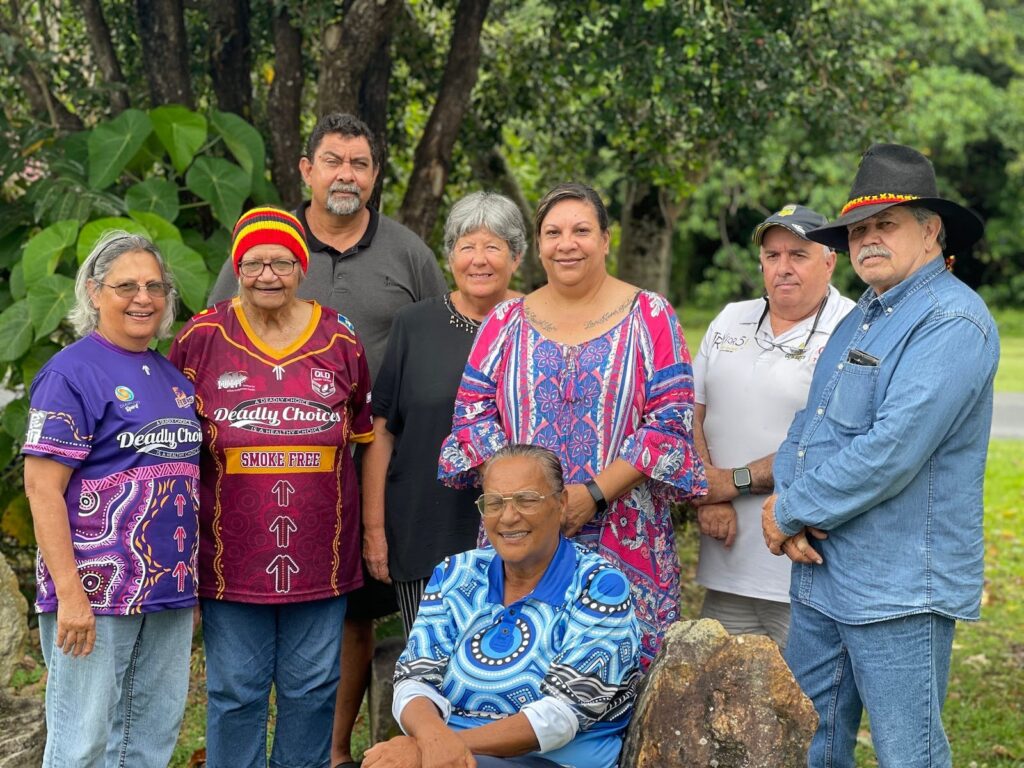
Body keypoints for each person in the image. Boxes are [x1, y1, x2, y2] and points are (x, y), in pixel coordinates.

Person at [206, 113, 446, 768]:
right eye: (333, 160)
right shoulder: (266, 248)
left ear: (375, 177)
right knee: (251, 658)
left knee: (355, 613)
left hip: (376, 462)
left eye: (360, 163)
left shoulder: (408, 254)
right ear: (307, 170)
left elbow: (443, 333)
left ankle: (335, 753)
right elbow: (212, 347)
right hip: (259, 476)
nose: (347, 174)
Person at [761, 144, 999, 767]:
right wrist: (789, 495)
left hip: (897, 586)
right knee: (809, 742)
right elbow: (809, 424)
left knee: (907, 754)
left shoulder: (953, 320)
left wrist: (789, 511)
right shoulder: (862, 314)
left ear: (931, 231)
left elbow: (892, 449)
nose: (868, 239)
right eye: (859, 229)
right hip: (822, 572)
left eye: (885, 224)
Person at [439, 182, 706, 669]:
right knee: (516, 676)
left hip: (626, 541)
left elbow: (670, 422)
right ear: (537, 245)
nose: (567, 243)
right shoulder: (505, 322)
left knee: (619, 690)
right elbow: (472, 420)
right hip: (520, 537)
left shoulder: (650, 316)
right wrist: (530, 503)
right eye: (553, 232)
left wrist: (593, 494)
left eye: (582, 230)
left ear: (606, 239)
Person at [169, 207, 373, 768]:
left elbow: (362, 433)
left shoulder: (339, 337)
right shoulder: (199, 339)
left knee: (312, 688)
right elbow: (174, 453)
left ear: (300, 267)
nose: (267, 274)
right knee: (235, 691)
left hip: (320, 554)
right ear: (237, 267)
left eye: (281, 261)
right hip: (228, 556)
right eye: (254, 262)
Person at [23, 232, 200, 767]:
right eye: (126, 286)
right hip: (97, 596)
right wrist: (72, 597)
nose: (142, 297)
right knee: (82, 743)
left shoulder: (172, 378)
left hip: (167, 595)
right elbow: (42, 488)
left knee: (148, 740)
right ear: (95, 293)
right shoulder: (70, 372)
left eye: (154, 285)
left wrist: (185, 588)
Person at [365, 444, 641, 768]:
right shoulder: (456, 574)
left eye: (526, 500)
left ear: (561, 503)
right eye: (494, 503)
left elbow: (560, 716)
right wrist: (432, 740)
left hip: (551, 759)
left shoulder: (600, 587)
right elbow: (414, 678)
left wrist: (432, 749)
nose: (509, 517)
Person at [692, 204, 854, 648]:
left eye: (798, 255)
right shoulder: (730, 318)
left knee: (806, 709)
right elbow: (692, 411)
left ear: (829, 260)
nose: (783, 268)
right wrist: (707, 494)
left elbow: (833, 441)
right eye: (772, 255)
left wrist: (731, 483)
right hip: (725, 563)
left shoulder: (853, 328)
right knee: (720, 700)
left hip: (805, 569)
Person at [363, 191, 525, 635]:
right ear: (449, 254)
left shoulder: (538, 322)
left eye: (493, 246)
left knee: (510, 671)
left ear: (517, 256)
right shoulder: (414, 324)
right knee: (429, 674)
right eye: (465, 246)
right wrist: (374, 528)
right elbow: (382, 432)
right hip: (422, 531)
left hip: (519, 533)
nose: (479, 259)